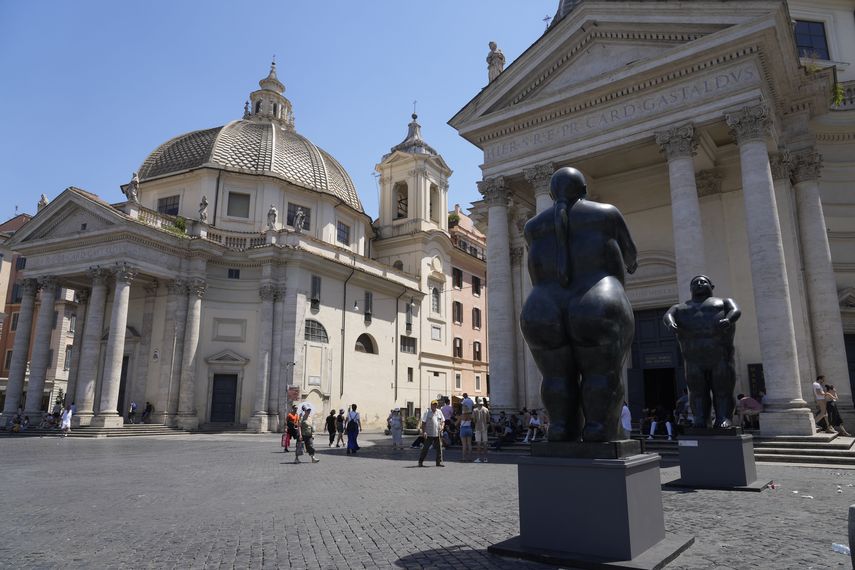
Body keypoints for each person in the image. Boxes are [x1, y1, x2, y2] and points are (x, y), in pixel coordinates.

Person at [520, 167, 638, 442]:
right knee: (600, 372)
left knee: (555, 377)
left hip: (542, 305)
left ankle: (560, 428)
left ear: (550, 195)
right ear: (584, 190)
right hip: (597, 297)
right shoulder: (607, 213)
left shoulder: (532, 227)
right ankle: (599, 429)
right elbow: (631, 256)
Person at [664, 275, 741, 428]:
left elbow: (735, 310)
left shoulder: (724, 302)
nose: (699, 284)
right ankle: (700, 418)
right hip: (693, 358)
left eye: (703, 282)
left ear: (711, 286)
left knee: (723, 389)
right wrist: (671, 324)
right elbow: (668, 315)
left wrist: (729, 320)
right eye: (695, 283)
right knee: (697, 392)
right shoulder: (680, 308)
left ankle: (724, 418)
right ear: (690, 288)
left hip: (720, 355)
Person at [418, 400, 445, 467]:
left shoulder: (439, 412)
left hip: (437, 433)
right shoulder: (427, 412)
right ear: (431, 405)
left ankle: (438, 462)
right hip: (429, 433)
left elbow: (443, 421)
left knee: (439, 448)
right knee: (426, 448)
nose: (435, 406)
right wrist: (424, 432)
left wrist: (442, 426)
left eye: (436, 405)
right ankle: (420, 462)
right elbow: (423, 422)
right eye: (433, 404)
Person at [472, 397, 491, 463]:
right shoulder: (486, 409)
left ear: (477, 402)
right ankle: (485, 458)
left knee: (478, 444)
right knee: (485, 443)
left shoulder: (475, 410)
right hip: (484, 428)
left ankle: (478, 458)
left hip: (477, 428)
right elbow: (488, 420)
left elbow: (474, 420)